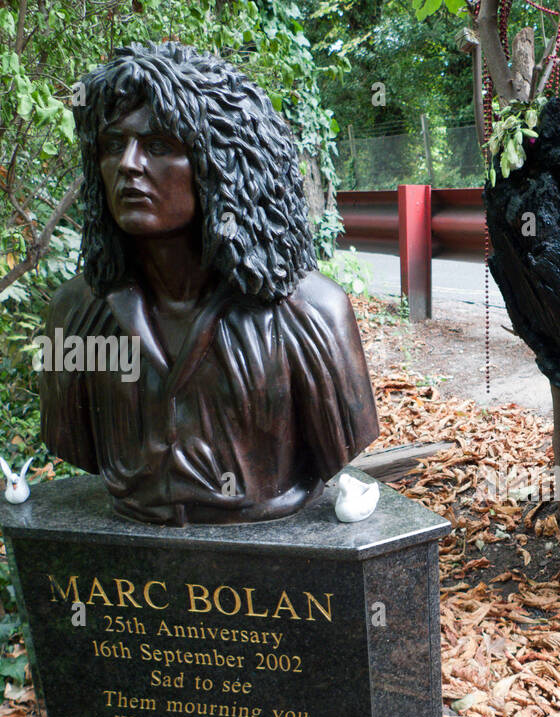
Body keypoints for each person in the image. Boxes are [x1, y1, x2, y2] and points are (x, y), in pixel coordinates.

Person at [40, 42, 379, 525]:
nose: (129, 165)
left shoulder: (312, 313)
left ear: (221, 165)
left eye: (159, 146)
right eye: (114, 145)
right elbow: (70, 439)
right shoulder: (74, 315)